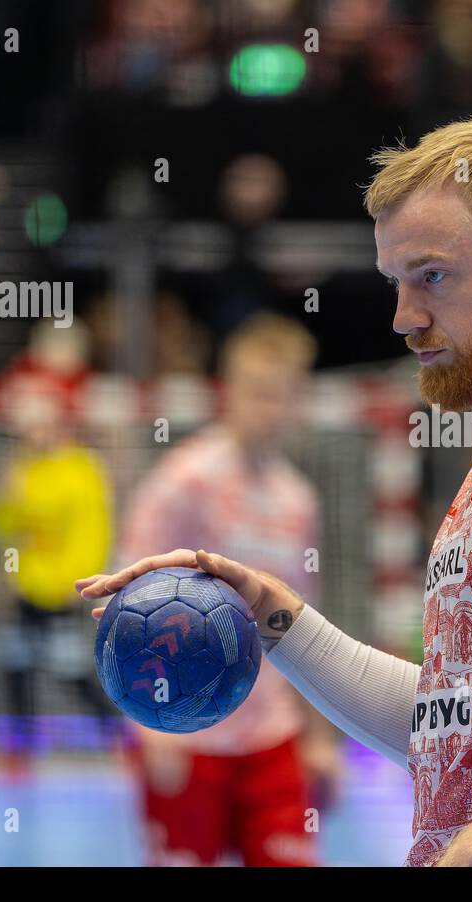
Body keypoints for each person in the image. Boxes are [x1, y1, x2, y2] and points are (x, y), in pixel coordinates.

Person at [79, 116, 472, 867]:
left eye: (433, 276)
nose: (404, 317)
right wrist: (276, 622)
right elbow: (457, 726)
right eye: (396, 282)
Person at [118, 313, 340, 867]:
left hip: (271, 736)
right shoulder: (183, 481)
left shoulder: (298, 499)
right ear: (228, 392)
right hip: (189, 733)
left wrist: (318, 738)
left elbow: (302, 626)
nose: (270, 410)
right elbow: (127, 606)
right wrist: (150, 726)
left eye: (283, 395)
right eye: (258, 393)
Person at [0, 374, 115, 764]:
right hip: (24, 589)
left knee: (70, 670)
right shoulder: (24, 469)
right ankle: (20, 749)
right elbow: (1, 528)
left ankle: (120, 738)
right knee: (13, 664)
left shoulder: (82, 469)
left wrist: (75, 583)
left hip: (62, 590)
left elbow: (94, 533)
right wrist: (5, 494)